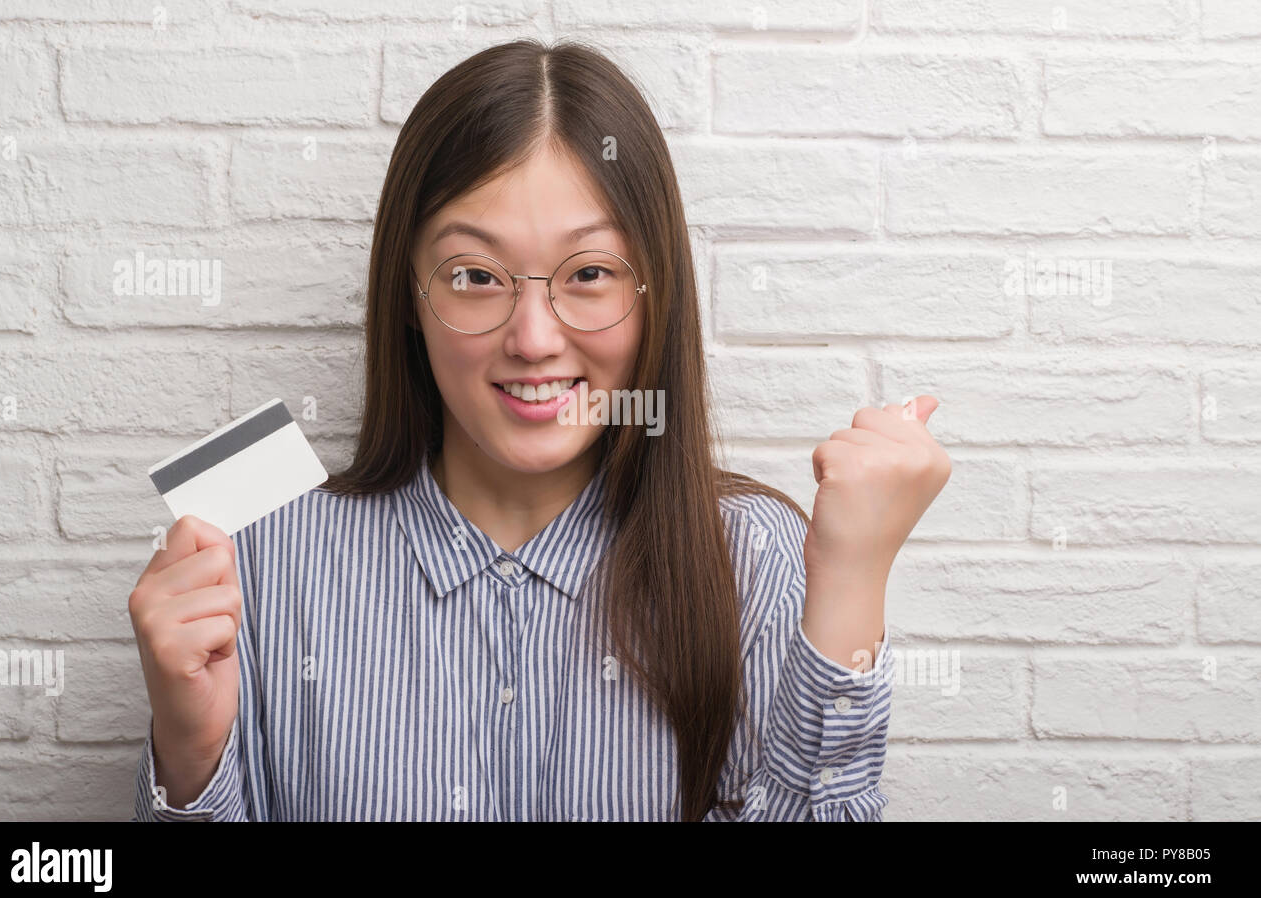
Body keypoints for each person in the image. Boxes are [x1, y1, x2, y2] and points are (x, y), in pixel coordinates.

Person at [127, 38, 950, 822]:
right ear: (407, 297)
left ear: (653, 292)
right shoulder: (262, 555)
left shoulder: (758, 556)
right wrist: (191, 750)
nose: (532, 338)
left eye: (589, 274)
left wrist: (850, 583)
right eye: (475, 277)